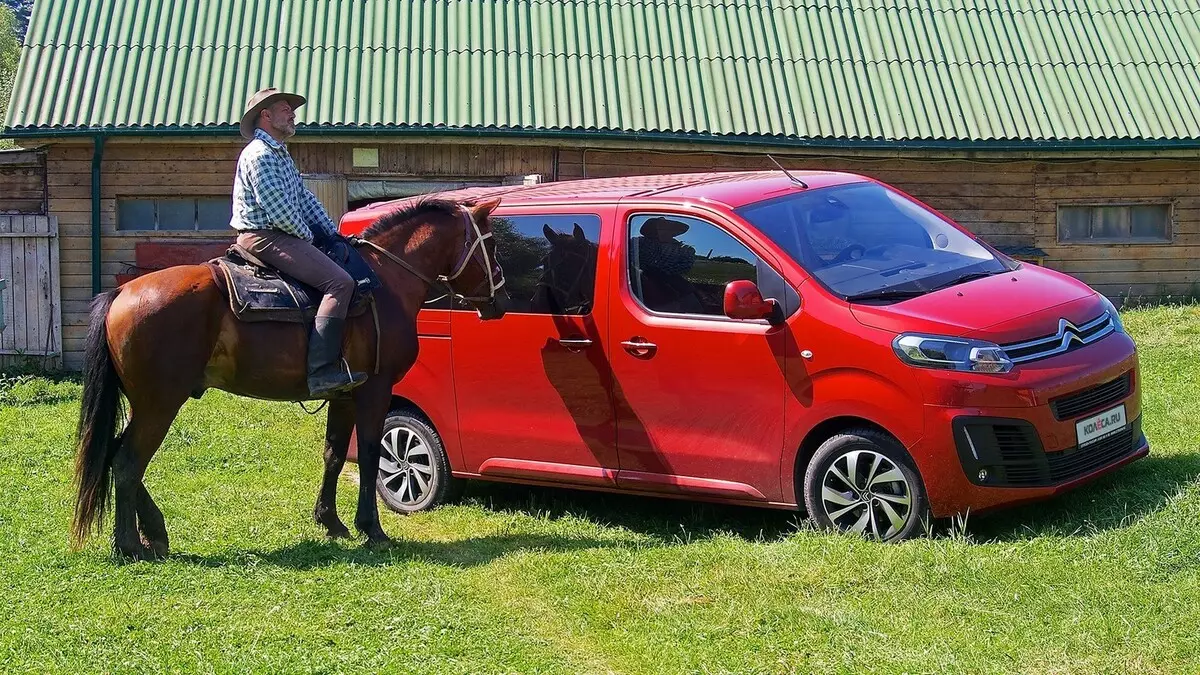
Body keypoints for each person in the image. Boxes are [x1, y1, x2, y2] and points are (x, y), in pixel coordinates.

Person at [229, 87, 366, 397]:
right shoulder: (260, 155)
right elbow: (279, 211)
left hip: (281, 232)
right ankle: (321, 372)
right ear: (265, 115)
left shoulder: (279, 153)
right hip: (266, 237)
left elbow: (303, 199)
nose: (293, 114)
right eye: (284, 109)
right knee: (340, 283)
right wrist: (309, 239)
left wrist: (332, 233)